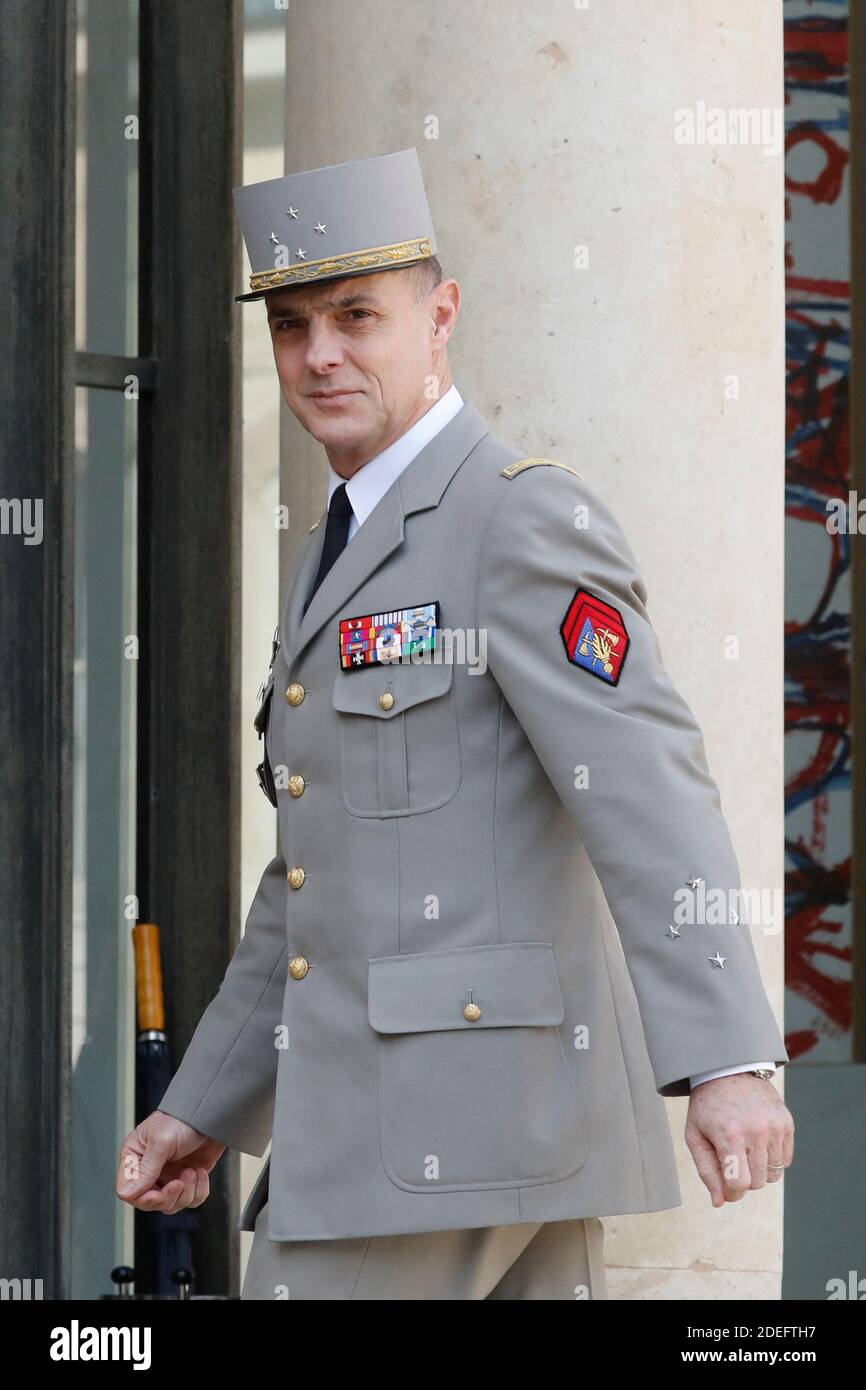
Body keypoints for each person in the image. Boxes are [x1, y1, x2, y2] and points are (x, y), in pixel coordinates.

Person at [116, 148, 793, 1301]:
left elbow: (643, 789)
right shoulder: (335, 549)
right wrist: (207, 1100)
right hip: (467, 1149)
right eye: (290, 326)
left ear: (440, 315)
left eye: (355, 316)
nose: (320, 353)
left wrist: (727, 1058)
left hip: (420, 1150)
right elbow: (311, 882)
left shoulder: (518, 517)